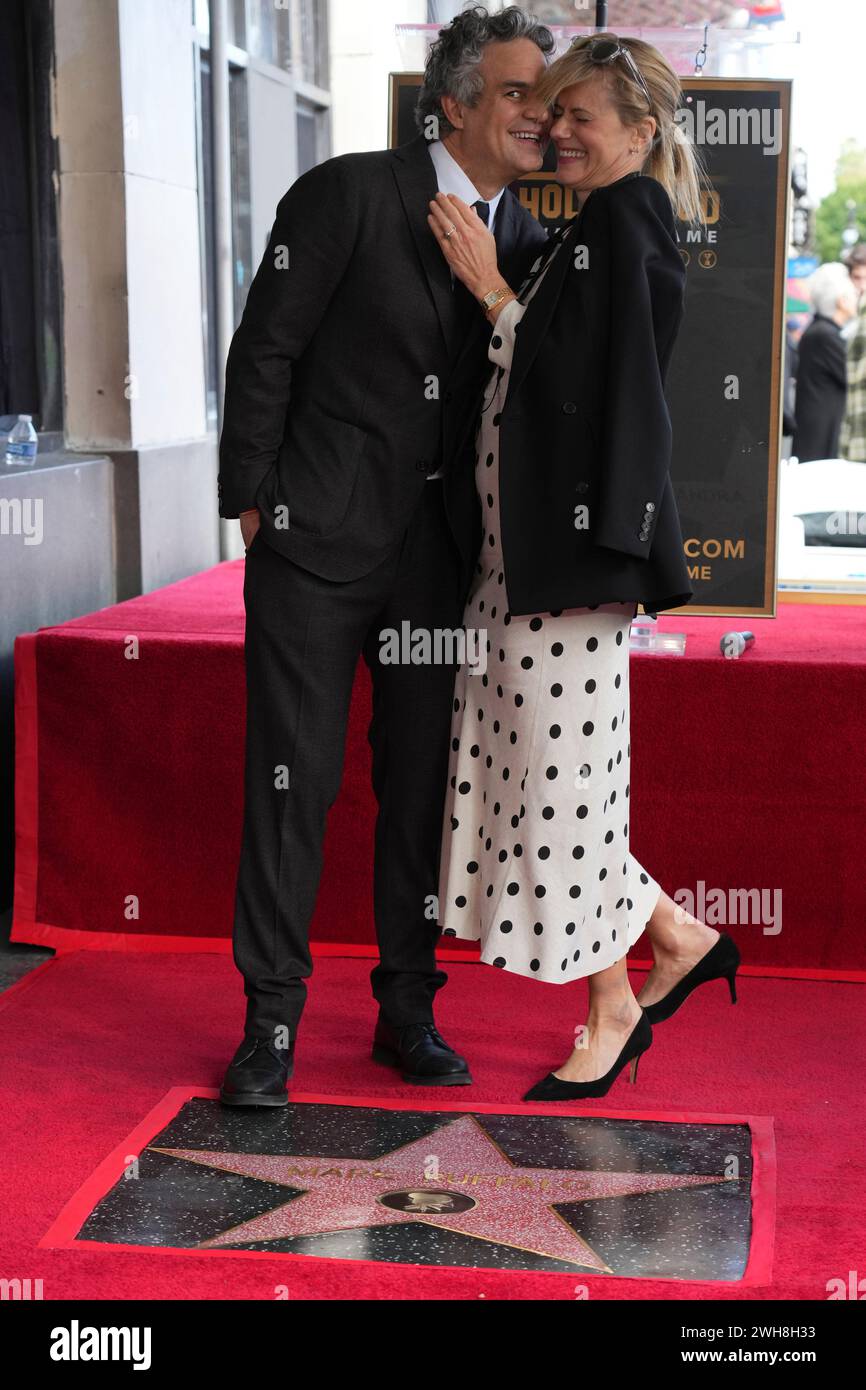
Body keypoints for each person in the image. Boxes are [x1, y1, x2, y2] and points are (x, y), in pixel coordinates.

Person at [216, 5, 553, 1105]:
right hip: (314, 546)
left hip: (438, 561)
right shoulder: (347, 193)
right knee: (292, 786)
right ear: (452, 104)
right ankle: (270, 1021)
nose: (534, 115)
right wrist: (254, 499)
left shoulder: (533, 238)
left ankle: (405, 1011)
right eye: (513, 94)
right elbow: (264, 344)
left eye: (541, 99)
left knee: (419, 794)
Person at [429, 33, 740, 1101]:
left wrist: (487, 291)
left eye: (581, 117)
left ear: (638, 134)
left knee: (556, 795)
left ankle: (612, 999)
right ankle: (677, 938)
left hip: (560, 574)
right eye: (551, 113)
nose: (557, 130)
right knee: (545, 787)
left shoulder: (626, 213)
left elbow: (592, 377)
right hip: (531, 569)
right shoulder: (596, 225)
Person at [792, 262, 859, 463]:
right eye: (852, 294)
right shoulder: (825, 335)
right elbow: (853, 374)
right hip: (821, 432)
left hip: (817, 427)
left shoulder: (820, 331)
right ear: (842, 301)